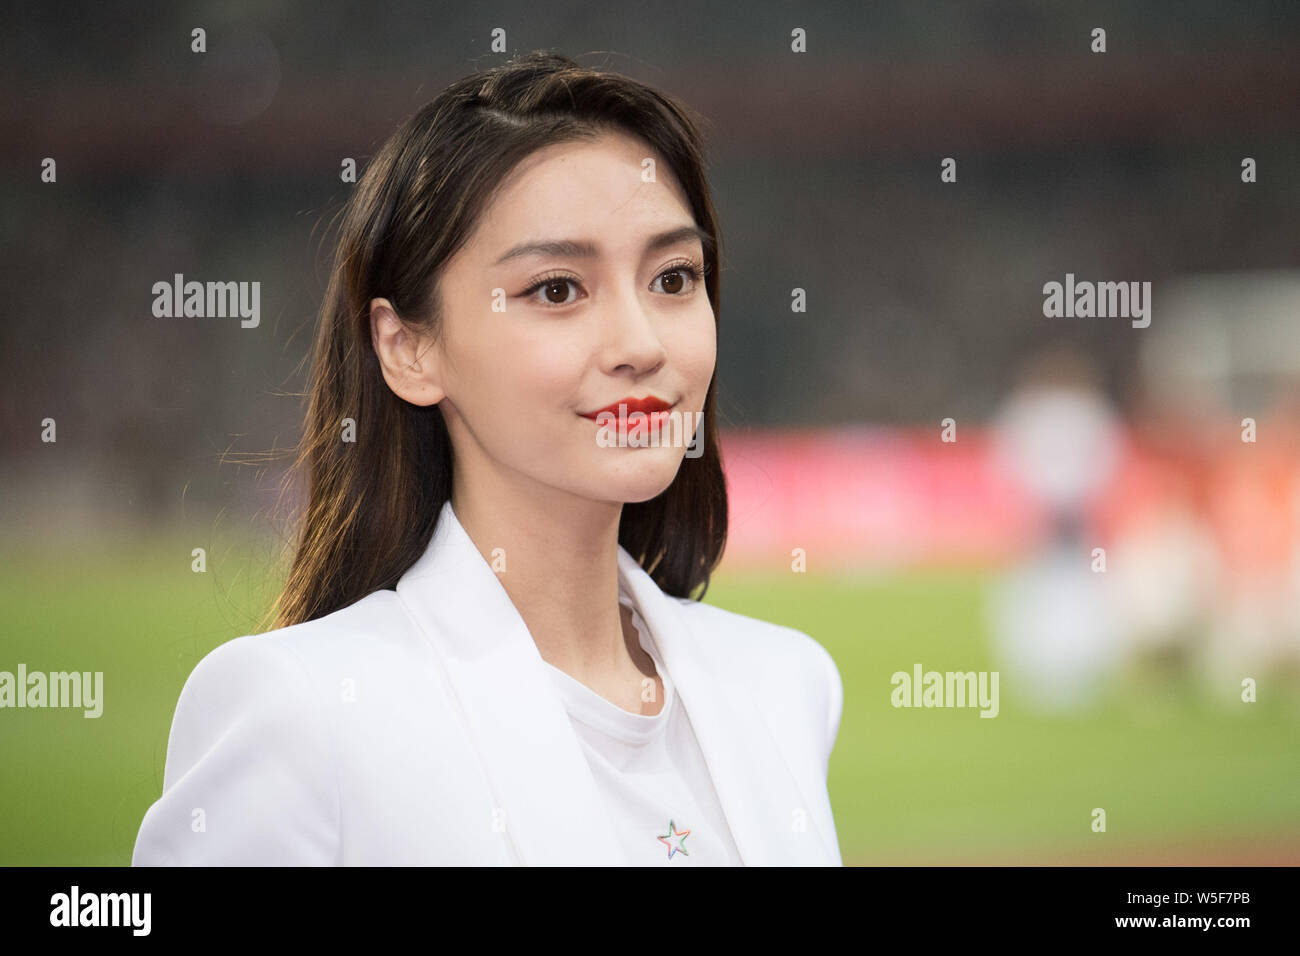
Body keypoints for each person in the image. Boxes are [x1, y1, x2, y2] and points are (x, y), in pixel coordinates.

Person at [132, 51, 843, 866]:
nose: (642, 345)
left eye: (674, 277)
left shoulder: (784, 685)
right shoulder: (304, 711)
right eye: (556, 289)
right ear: (408, 349)